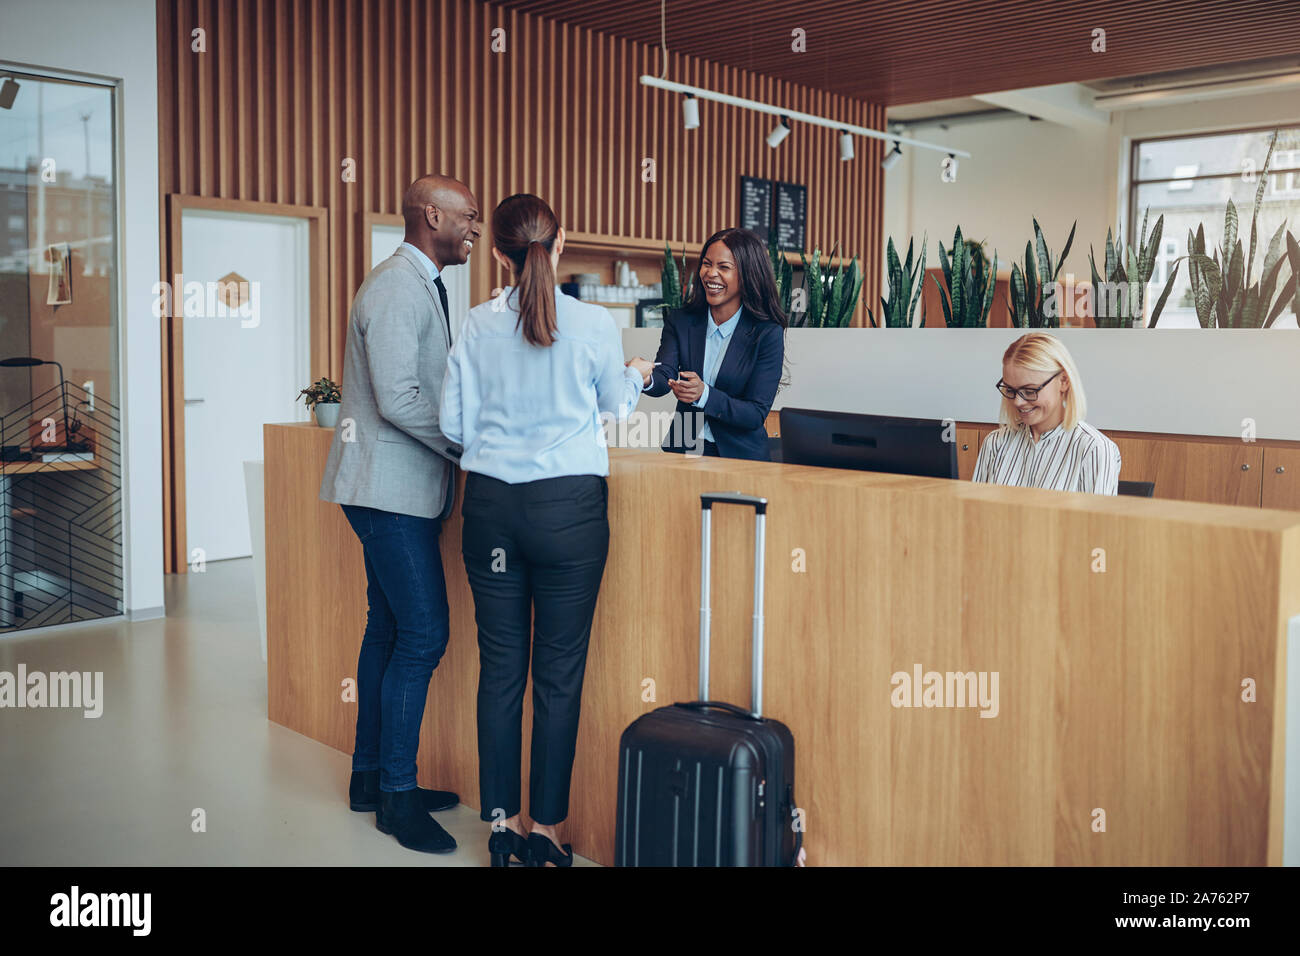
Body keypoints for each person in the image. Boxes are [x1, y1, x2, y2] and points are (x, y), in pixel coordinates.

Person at [439, 193, 648, 868]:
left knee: (500, 670)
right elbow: (616, 407)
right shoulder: (593, 324)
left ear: (497, 255)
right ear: (559, 246)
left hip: (493, 510)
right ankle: (547, 835)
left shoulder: (474, 325)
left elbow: (452, 427)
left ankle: (499, 830)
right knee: (558, 676)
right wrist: (636, 377)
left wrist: (500, 442)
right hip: (569, 515)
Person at [318, 174, 481, 853]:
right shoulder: (393, 287)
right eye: (467, 216)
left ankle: (369, 778)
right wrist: (466, 445)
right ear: (430, 214)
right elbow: (397, 397)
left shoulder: (421, 286)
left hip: (400, 492)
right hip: (387, 494)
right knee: (423, 635)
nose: (473, 226)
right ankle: (397, 796)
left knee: (386, 632)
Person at [630, 227, 786, 460]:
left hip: (740, 458)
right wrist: (646, 378)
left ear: (748, 275)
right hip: (684, 449)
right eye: (706, 264)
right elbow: (666, 374)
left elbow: (755, 413)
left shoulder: (766, 334)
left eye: (723, 267)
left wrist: (704, 395)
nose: (711, 273)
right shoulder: (681, 321)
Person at [972, 331, 1120, 494]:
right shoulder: (995, 443)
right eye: (1011, 390)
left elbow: (1095, 520)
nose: (1017, 402)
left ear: (1063, 381)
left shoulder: (1094, 449)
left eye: (1029, 391)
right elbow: (974, 514)